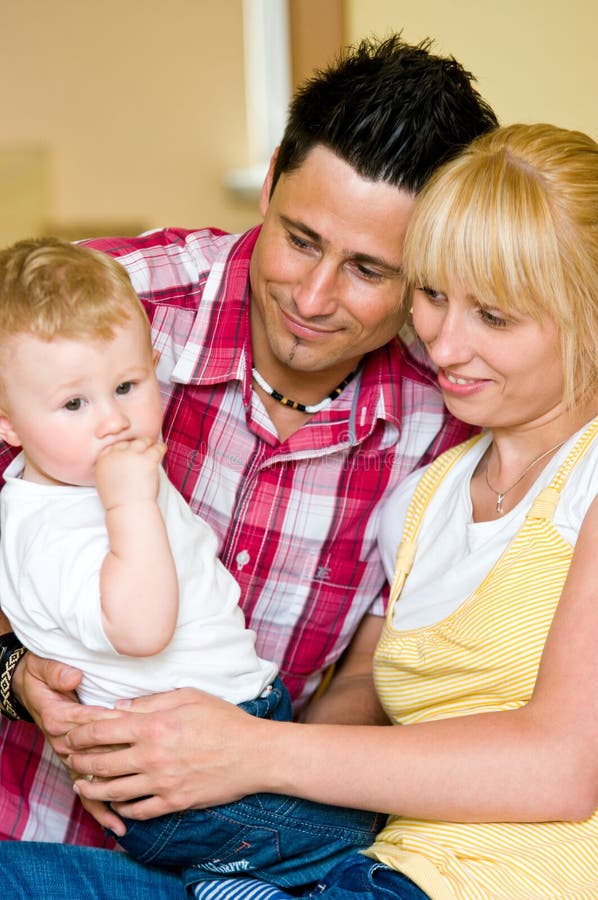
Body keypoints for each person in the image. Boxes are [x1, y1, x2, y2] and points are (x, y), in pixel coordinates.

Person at [4, 121, 594, 900]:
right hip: (308, 854)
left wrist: (248, 754)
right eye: (435, 296)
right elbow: (380, 698)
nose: (445, 346)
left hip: (368, 864)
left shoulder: (456, 433)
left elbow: (558, 764)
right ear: (274, 178)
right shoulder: (426, 496)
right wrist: (16, 671)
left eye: (494, 317)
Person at [0, 237, 384, 895]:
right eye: (74, 405)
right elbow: (143, 627)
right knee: (362, 837)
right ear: (7, 423)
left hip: (246, 728)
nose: (114, 421)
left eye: (127, 385)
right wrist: (129, 501)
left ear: (156, 366)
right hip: (171, 788)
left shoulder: (82, 475)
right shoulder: (51, 523)